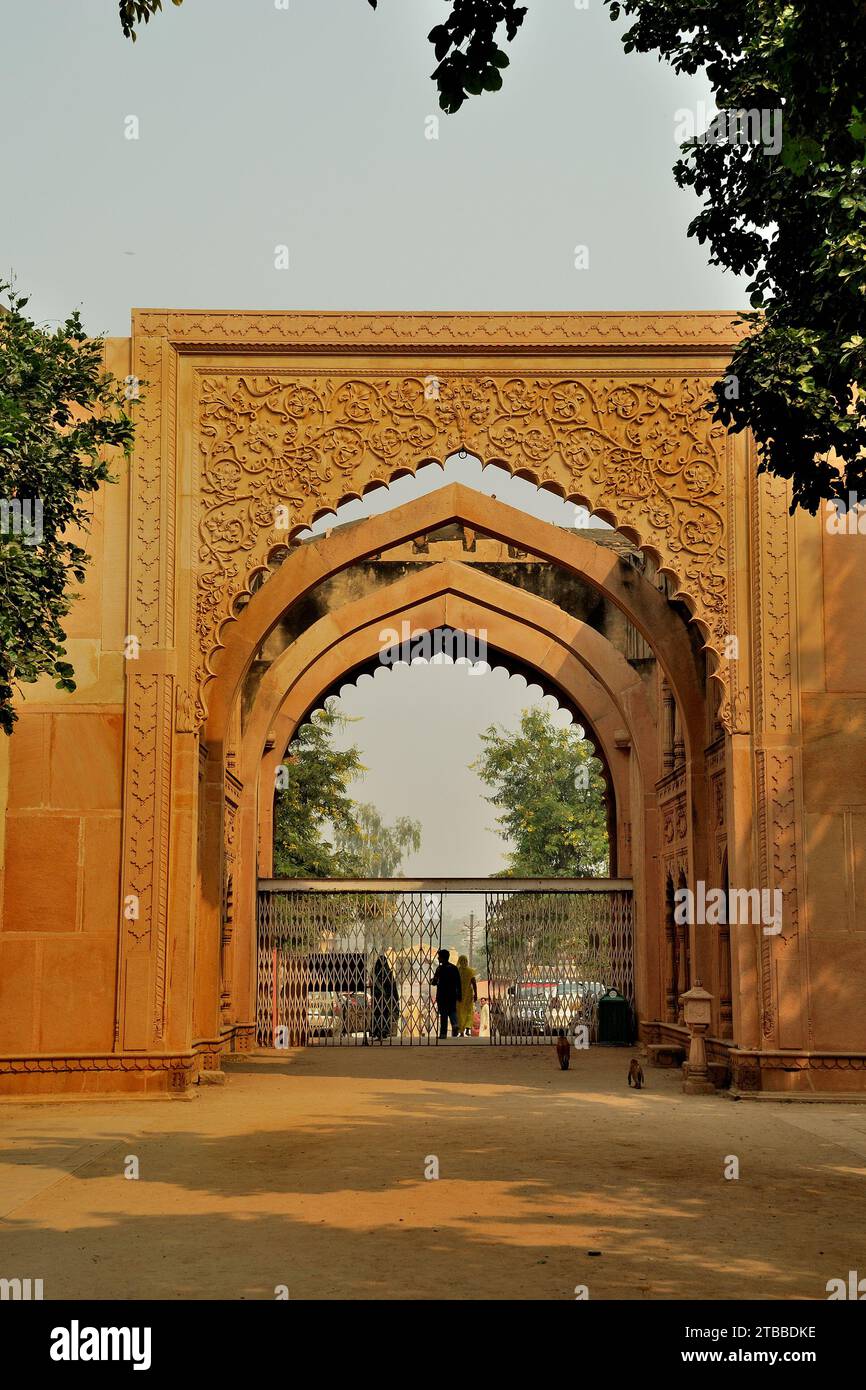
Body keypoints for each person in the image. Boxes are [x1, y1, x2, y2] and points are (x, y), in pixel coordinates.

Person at [431, 948, 462, 1039]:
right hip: (452, 994)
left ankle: (443, 1034)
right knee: (452, 1010)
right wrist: (459, 994)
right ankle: (455, 1024)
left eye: (439, 956)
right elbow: (458, 982)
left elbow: (434, 982)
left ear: (442, 958)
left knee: (443, 1013)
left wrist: (432, 981)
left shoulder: (440, 969)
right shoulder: (454, 968)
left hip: (442, 994)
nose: (437, 958)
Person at [370, 954, 399, 1041]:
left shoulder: (374, 973)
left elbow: (372, 986)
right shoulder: (389, 973)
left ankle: (378, 1032)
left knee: (377, 1014)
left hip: (377, 997)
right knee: (384, 1014)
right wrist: (395, 998)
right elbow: (393, 987)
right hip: (386, 998)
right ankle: (383, 1032)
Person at [456, 954, 478, 1037]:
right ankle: (468, 1028)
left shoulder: (457, 971)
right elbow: (474, 983)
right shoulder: (470, 971)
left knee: (460, 1012)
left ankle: (461, 1031)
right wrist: (476, 994)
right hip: (468, 994)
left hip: (459, 994)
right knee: (468, 1010)